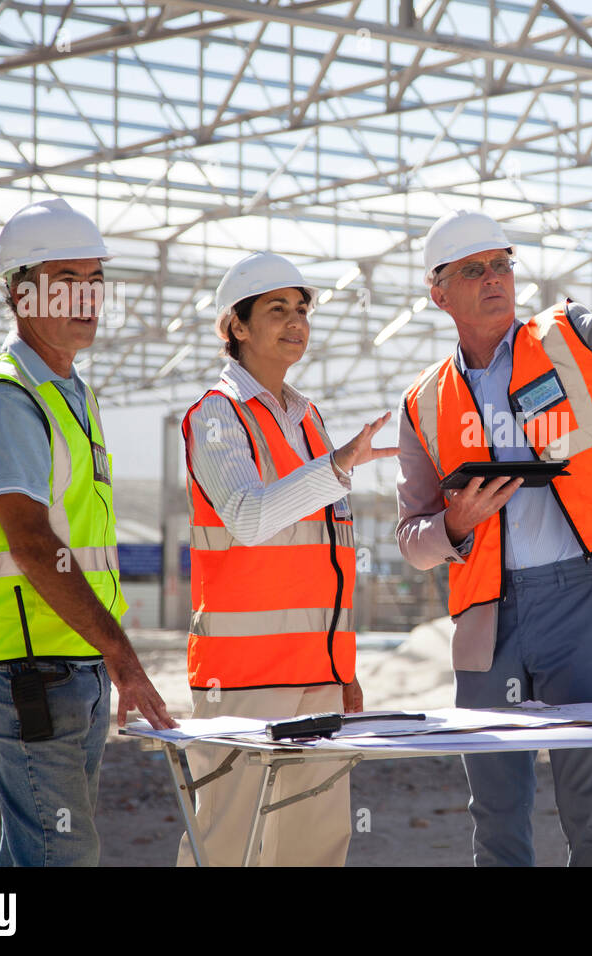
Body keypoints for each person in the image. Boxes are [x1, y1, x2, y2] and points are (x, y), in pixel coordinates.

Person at [396, 209, 592, 866]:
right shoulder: (422, 403)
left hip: (582, 599)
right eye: (474, 270)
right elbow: (411, 537)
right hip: (488, 614)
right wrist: (454, 526)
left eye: (502, 264)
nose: (496, 279)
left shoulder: (568, 337)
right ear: (440, 294)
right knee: (495, 809)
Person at [0, 197, 176, 867]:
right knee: (58, 851)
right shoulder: (4, 400)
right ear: (21, 294)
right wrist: (123, 655)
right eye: (66, 280)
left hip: (66, 661)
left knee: (38, 848)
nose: (87, 298)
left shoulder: (71, 392)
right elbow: (36, 546)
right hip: (27, 669)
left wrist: (105, 655)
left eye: (95, 281)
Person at [176, 251, 396, 867]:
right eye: (277, 310)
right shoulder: (216, 415)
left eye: (301, 310)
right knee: (225, 843)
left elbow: (326, 555)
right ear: (236, 327)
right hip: (242, 679)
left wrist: (341, 665)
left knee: (313, 846)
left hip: (318, 675)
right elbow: (247, 518)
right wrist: (337, 468)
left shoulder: (309, 418)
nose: (296, 321)